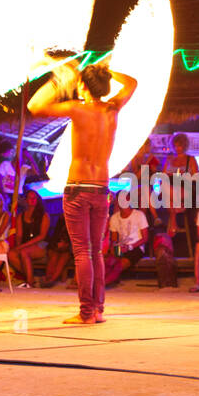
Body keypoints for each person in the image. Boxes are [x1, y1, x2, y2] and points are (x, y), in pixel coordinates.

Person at [28, 58, 137, 323]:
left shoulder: (78, 109)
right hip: (101, 188)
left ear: (84, 87)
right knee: (96, 251)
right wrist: (107, 71)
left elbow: (34, 106)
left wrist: (59, 80)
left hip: (78, 187)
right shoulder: (113, 108)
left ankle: (86, 312)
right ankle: (97, 310)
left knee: (82, 252)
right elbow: (133, 83)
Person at [7, 187, 49, 287]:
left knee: (24, 252)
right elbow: (19, 236)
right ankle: (32, 277)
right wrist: (18, 246)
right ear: (26, 200)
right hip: (26, 244)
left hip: (41, 244)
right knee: (11, 254)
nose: (32, 200)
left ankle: (30, 282)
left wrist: (22, 247)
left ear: (38, 199)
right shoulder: (21, 216)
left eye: (34, 197)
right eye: (30, 198)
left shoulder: (44, 215)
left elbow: (42, 236)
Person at [164, 132, 198, 256]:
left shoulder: (191, 159)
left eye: (180, 145)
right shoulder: (169, 159)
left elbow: (196, 177)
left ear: (184, 145)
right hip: (172, 190)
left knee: (169, 193)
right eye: (176, 146)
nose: (178, 148)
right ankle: (175, 214)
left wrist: (184, 175)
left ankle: (172, 222)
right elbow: (163, 176)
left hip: (186, 189)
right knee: (167, 189)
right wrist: (171, 176)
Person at [105, 200, 149, 285]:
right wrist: (115, 248)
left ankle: (104, 283)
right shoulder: (114, 217)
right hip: (121, 247)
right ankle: (101, 282)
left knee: (120, 265)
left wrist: (129, 247)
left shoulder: (139, 215)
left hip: (136, 247)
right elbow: (114, 239)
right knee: (110, 262)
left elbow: (145, 238)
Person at [41, 213, 73, 288]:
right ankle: (48, 277)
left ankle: (52, 279)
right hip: (58, 245)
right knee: (54, 255)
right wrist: (58, 244)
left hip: (71, 247)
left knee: (63, 256)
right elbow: (55, 235)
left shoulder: (78, 220)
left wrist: (67, 244)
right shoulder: (61, 220)